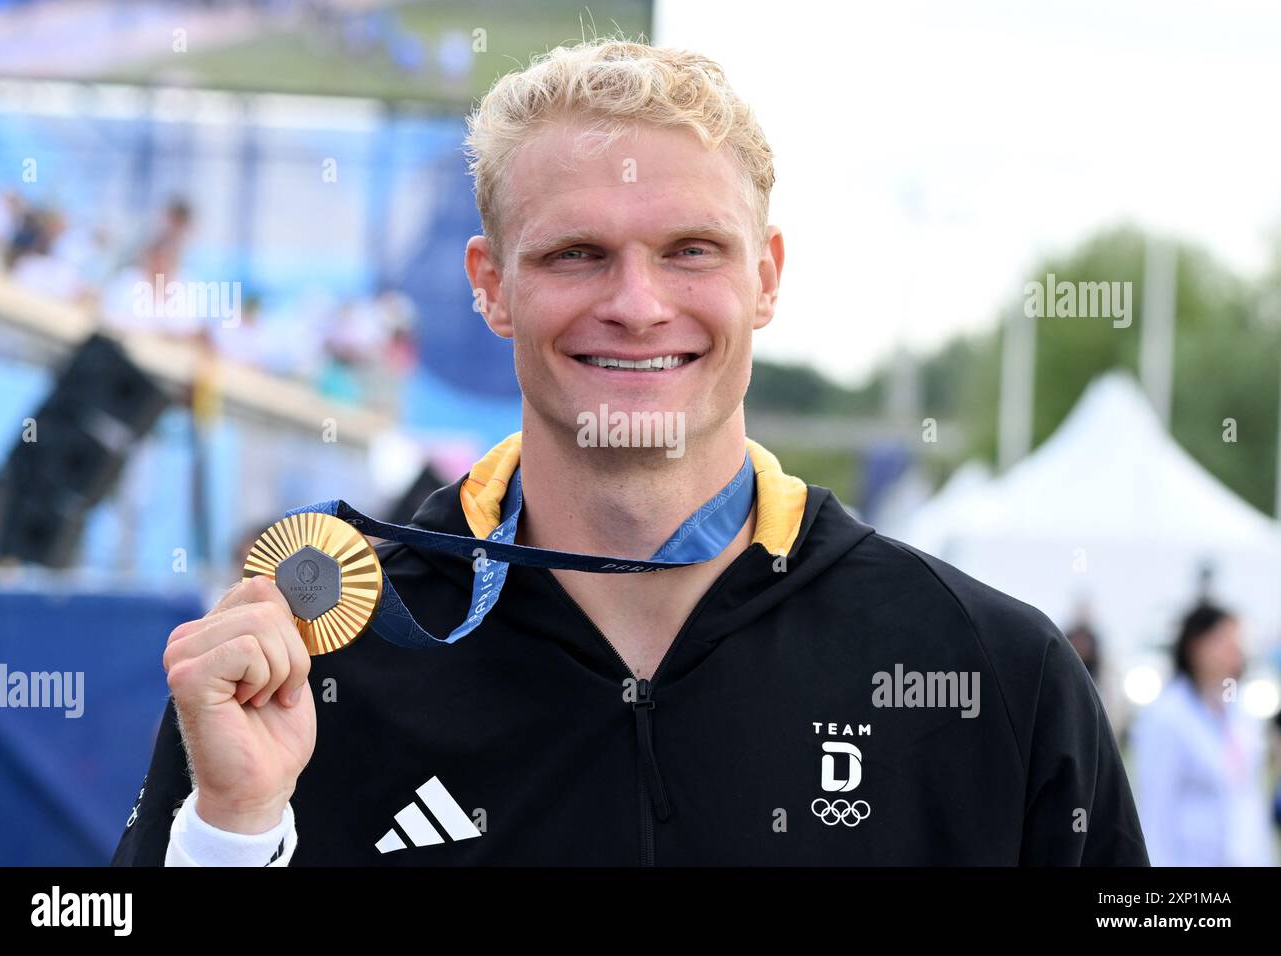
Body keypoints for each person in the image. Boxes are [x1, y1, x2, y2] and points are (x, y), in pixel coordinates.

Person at [111, 39, 1148, 867]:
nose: (637, 305)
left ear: (766, 276)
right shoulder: (316, 658)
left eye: (690, 249)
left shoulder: (990, 672)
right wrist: (231, 834)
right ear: (490, 284)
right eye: (577, 253)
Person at [1131, 601, 1275, 866]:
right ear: (1195, 646)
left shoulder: (1240, 712)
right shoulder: (1166, 716)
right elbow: (1156, 810)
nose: (1235, 651)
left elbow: (1248, 799)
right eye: (1225, 641)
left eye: (1237, 642)